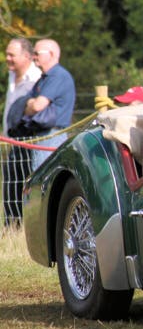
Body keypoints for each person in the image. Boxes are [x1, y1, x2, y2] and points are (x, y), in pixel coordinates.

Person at [7, 39, 75, 172]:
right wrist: (28, 105)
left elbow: (37, 106)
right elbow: (28, 106)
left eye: (37, 53)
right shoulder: (43, 79)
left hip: (52, 136)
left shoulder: (57, 75)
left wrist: (29, 105)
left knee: (44, 179)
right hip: (41, 135)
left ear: (51, 54)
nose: (33, 57)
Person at [2, 38, 41, 226]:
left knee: (24, 186)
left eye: (11, 55)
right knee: (10, 186)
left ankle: (25, 227)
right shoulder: (12, 76)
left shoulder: (36, 80)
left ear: (26, 56)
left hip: (28, 142)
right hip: (12, 143)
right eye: (7, 54)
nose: (7, 58)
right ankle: (12, 227)